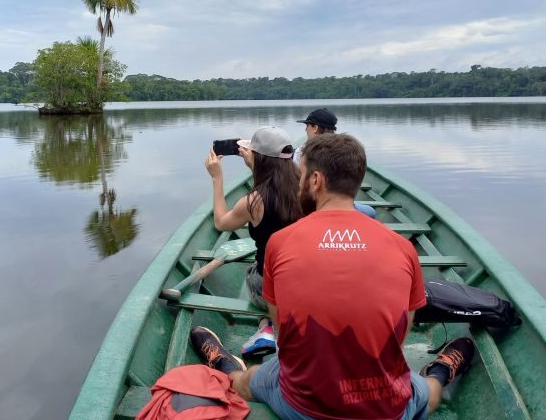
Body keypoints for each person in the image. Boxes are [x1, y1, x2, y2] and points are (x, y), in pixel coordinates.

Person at [193, 133, 475, 420]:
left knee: (249, 380)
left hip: (303, 406)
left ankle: (226, 367)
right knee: (427, 393)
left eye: (302, 175)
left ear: (316, 181)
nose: (298, 182)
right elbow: (398, 336)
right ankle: (441, 371)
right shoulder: (404, 248)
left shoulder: (280, 243)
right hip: (387, 409)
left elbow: (285, 334)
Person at [205, 126, 304, 357]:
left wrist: (217, 178)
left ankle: (265, 326)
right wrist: (256, 165)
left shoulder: (254, 201)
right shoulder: (306, 187)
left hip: (269, 288)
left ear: (259, 159)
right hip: (304, 284)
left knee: (253, 272)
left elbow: (221, 222)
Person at [294, 108, 375, 219]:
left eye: (307, 126)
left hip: (311, 204)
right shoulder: (344, 149)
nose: (305, 129)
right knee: (371, 212)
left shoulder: (302, 152)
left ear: (315, 128)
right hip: (344, 204)